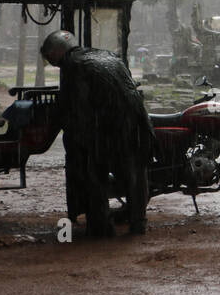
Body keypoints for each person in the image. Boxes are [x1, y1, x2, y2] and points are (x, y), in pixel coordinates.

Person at [41, 30, 152, 237]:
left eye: (49, 56)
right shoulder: (107, 55)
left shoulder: (72, 66)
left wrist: (65, 131)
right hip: (134, 123)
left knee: (95, 175)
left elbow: (75, 106)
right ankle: (138, 223)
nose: (50, 61)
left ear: (57, 52)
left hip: (107, 129)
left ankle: (101, 226)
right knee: (134, 176)